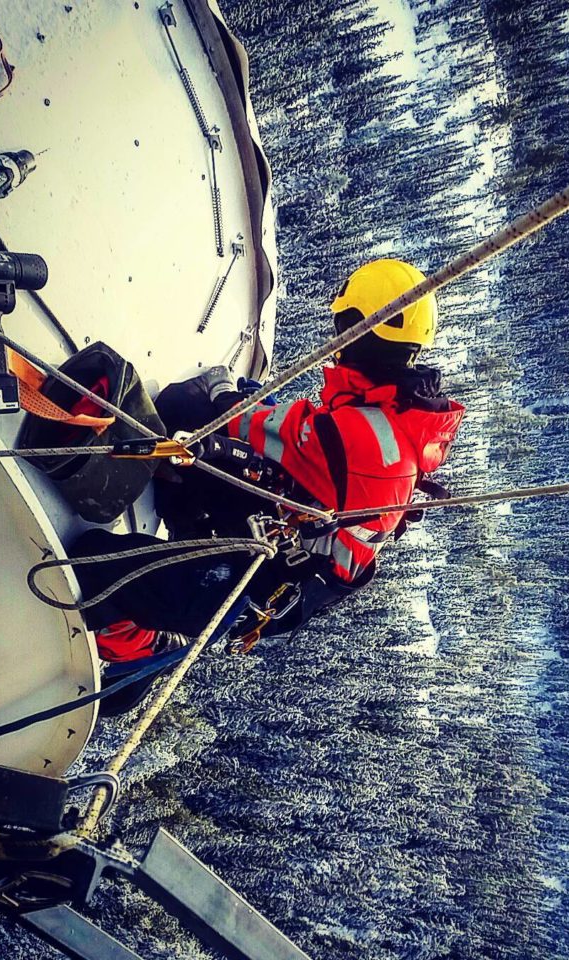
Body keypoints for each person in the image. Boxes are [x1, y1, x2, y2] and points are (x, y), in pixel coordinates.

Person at [70, 258, 465, 667]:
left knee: (94, 563)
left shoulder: (364, 433)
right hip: (287, 547)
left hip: (261, 580)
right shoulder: (393, 413)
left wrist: (224, 392)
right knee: (199, 469)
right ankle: (184, 532)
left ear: (354, 328)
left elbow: (257, 427)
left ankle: (130, 643)